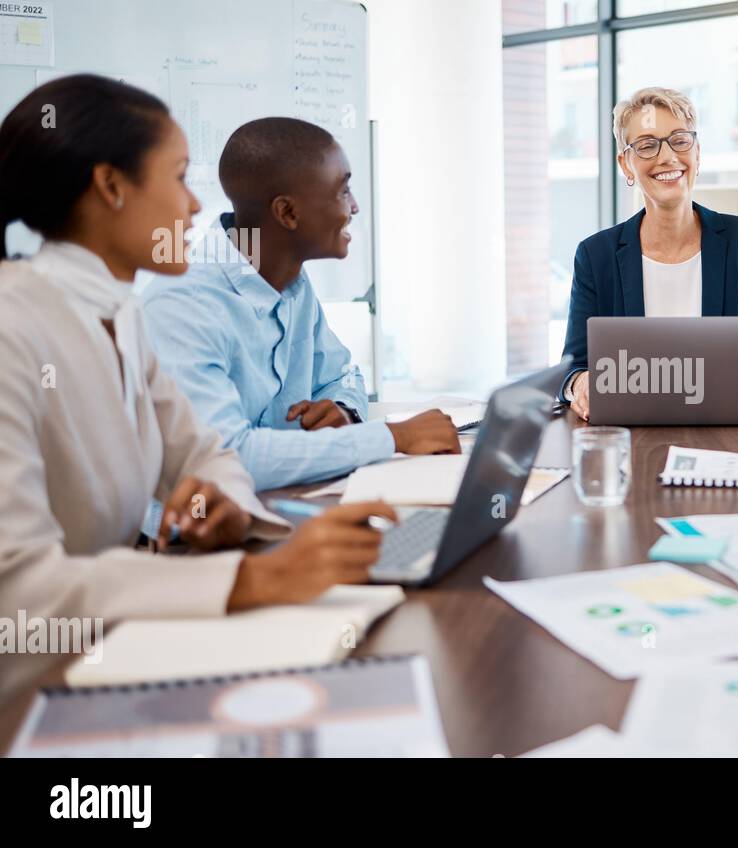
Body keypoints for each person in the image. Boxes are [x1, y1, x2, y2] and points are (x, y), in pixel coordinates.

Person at [0, 75, 397, 705]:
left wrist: (226, 503)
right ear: (111, 186)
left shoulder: (119, 314)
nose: (193, 207)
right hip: (37, 693)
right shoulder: (14, 328)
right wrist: (253, 579)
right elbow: (18, 593)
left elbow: (205, 453)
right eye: (179, 176)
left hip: (117, 648)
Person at [141, 117, 460, 491]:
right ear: (288, 213)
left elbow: (342, 375)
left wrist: (344, 410)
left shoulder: (288, 281)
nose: (354, 207)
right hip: (190, 541)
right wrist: (392, 437)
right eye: (343, 192)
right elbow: (226, 458)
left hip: (286, 503)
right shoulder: (183, 306)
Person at [561, 86, 738, 422]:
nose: (667, 156)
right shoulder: (596, 256)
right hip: (631, 440)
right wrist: (581, 384)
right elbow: (574, 366)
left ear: (697, 153)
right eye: (646, 145)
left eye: (679, 140)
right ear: (626, 164)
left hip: (729, 436)